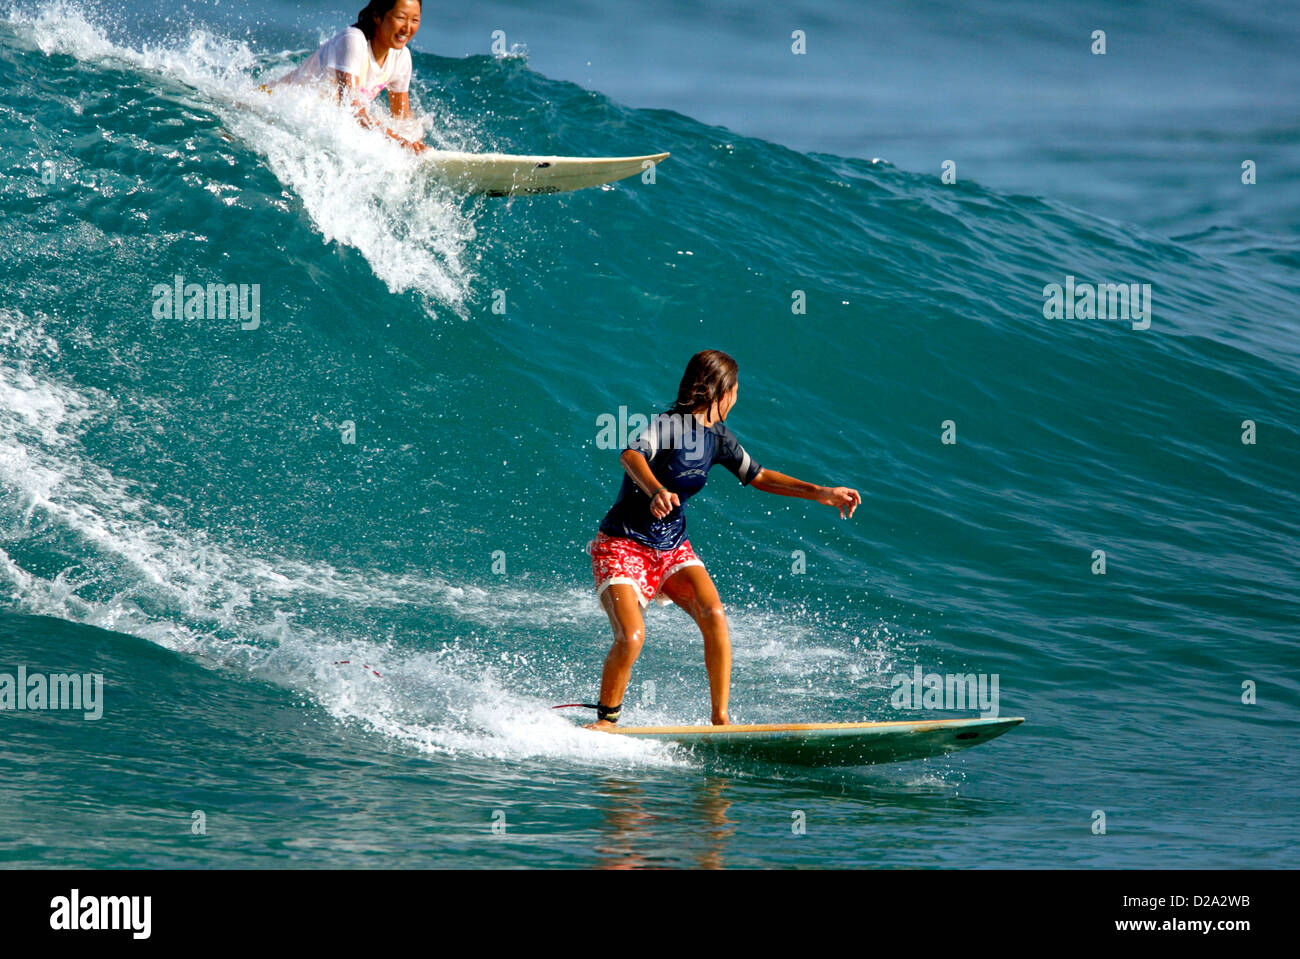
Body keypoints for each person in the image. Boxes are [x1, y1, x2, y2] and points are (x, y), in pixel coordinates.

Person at [586, 350, 862, 729]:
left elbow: (760, 476)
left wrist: (821, 492)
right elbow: (631, 456)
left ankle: (720, 720)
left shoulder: (718, 438)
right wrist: (655, 491)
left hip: (671, 547)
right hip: (623, 544)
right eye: (735, 390)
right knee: (632, 637)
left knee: (714, 613)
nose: (737, 398)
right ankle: (607, 721)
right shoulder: (669, 424)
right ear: (721, 391)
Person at [272, 0, 427, 153]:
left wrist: (415, 143)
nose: (407, 28)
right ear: (377, 16)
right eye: (400, 18)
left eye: (415, 20)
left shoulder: (401, 57)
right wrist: (398, 140)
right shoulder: (354, 40)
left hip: (310, 122)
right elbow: (353, 107)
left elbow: (401, 117)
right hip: (274, 104)